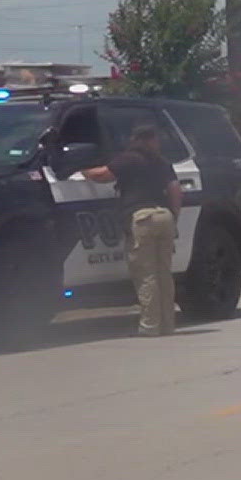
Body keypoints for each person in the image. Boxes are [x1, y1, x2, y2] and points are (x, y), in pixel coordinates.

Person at [83, 123, 181, 336]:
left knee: (146, 275)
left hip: (143, 218)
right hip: (165, 216)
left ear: (136, 140)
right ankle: (167, 324)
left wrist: (82, 169)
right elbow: (175, 189)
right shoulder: (162, 162)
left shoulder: (129, 158)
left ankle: (150, 326)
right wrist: (174, 216)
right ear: (153, 140)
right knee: (164, 274)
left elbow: (102, 175)